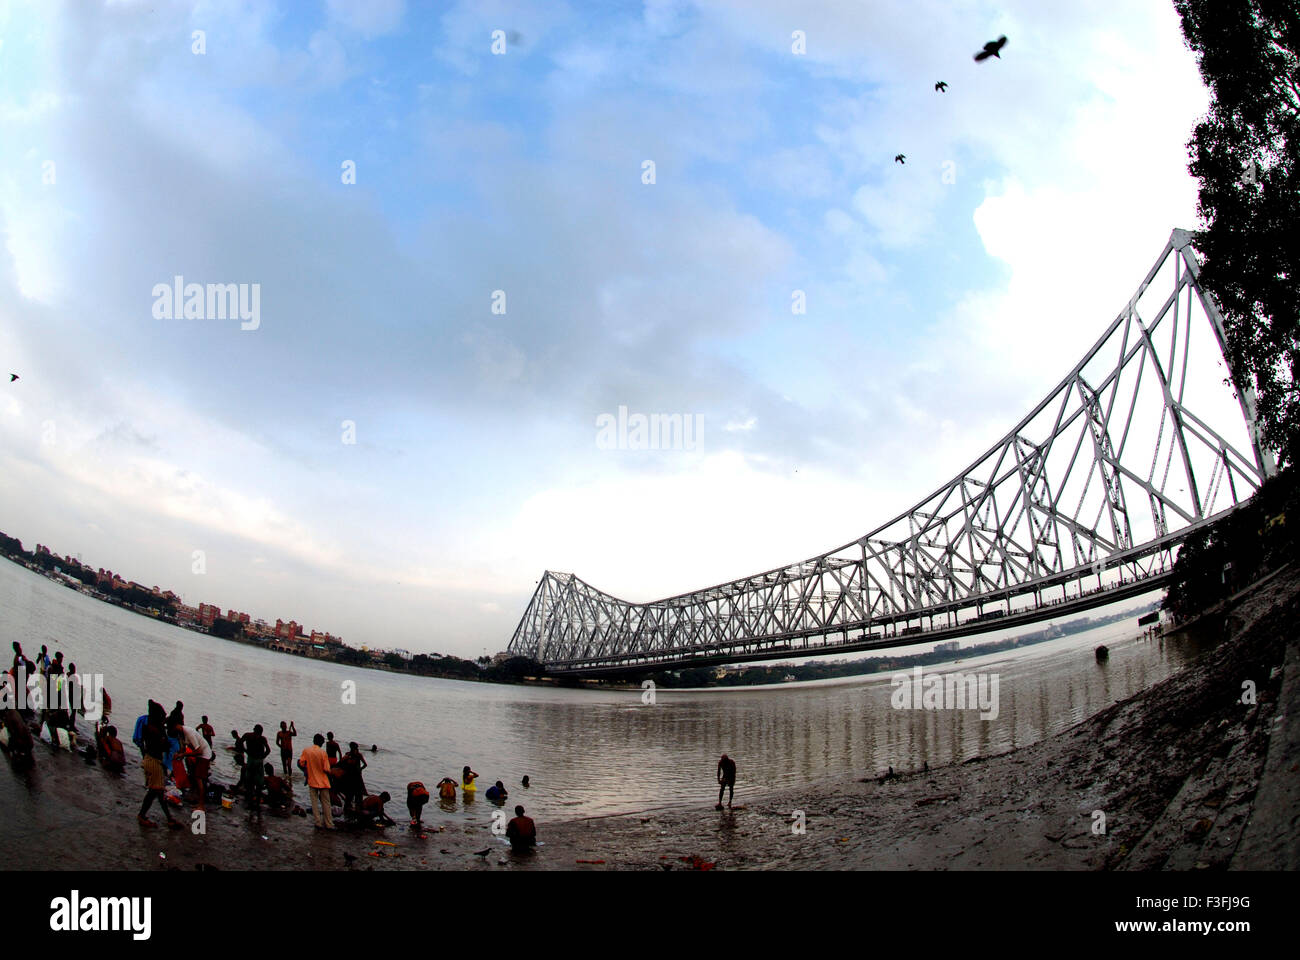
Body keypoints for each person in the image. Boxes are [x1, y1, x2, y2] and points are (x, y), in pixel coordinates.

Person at [138, 701, 180, 829]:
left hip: (152, 760)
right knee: (154, 791)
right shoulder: (154, 730)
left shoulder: (150, 727)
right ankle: (142, 816)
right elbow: (163, 746)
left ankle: (169, 818)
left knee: (158, 791)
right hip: (153, 761)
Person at [299, 734, 334, 829]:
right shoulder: (323, 753)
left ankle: (318, 822)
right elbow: (326, 769)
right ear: (321, 742)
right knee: (326, 803)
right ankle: (329, 824)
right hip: (323, 781)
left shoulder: (306, 751)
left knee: (314, 803)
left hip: (312, 780)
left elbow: (301, 763)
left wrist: (308, 770)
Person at [177, 723, 213, 809]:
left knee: (198, 778)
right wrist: (178, 755)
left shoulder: (189, 732)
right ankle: (197, 798)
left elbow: (199, 751)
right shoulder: (180, 734)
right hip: (197, 755)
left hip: (204, 755)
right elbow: (182, 749)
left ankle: (201, 805)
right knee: (194, 775)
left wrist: (184, 755)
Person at [241, 725, 270, 813]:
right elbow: (268, 750)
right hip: (258, 761)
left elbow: (239, 742)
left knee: (250, 782)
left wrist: (246, 751)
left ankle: (251, 804)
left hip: (251, 759)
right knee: (258, 783)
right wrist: (262, 757)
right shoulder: (262, 739)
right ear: (260, 732)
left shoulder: (248, 735)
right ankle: (256, 804)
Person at [340, 742, 368, 819]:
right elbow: (342, 763)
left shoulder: (357, 755)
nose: (354, 750)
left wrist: (360, 769)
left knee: (356, 795)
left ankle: (355, 812)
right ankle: (348, 811)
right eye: (354, 749)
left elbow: (365, 764)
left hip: (356, 777)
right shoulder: (348, 755)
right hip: (351, 777)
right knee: (351, 795)